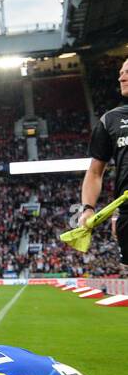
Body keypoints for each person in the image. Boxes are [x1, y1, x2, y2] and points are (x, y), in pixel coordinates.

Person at [79, 56, 128, 269]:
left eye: (127, 72)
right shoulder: (110, 120)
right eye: (120, 72)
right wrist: (88, 208)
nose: (121, 77)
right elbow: (95, 172)